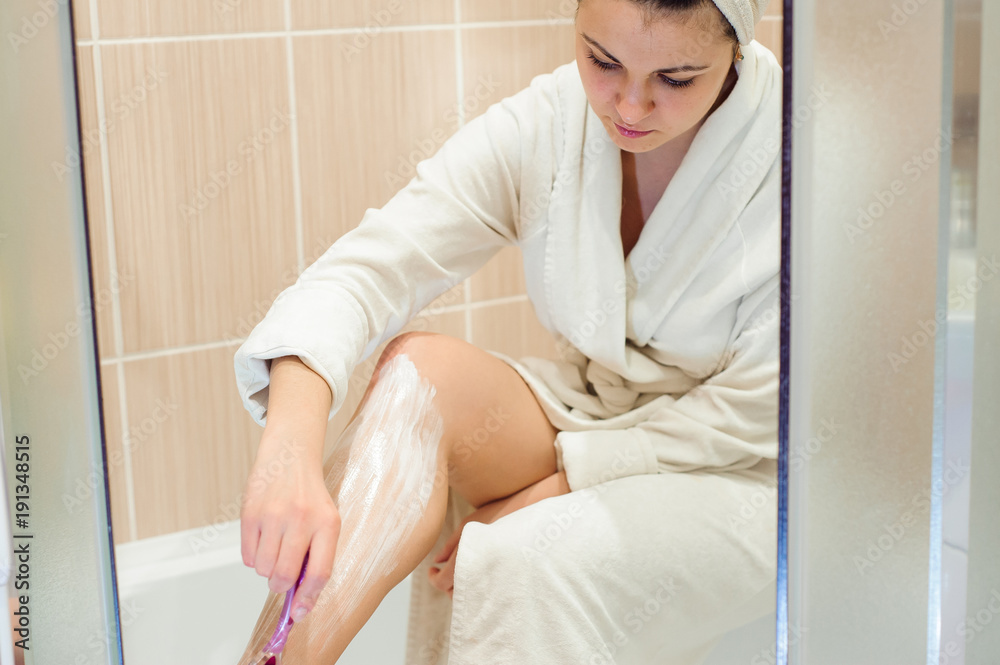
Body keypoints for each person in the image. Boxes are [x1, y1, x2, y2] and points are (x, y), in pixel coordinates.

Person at [233, 0, 780, 661]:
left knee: (525, 555)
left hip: (744, 470)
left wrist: (556, 487)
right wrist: (290, 445)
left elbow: (758, 413)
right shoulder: (553, 124)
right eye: (602, 61)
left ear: (736, 50)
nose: (629, 109)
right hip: (598, 412)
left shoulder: (793, 156)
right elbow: (373, 265)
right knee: (417, 377)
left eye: (676, 79)